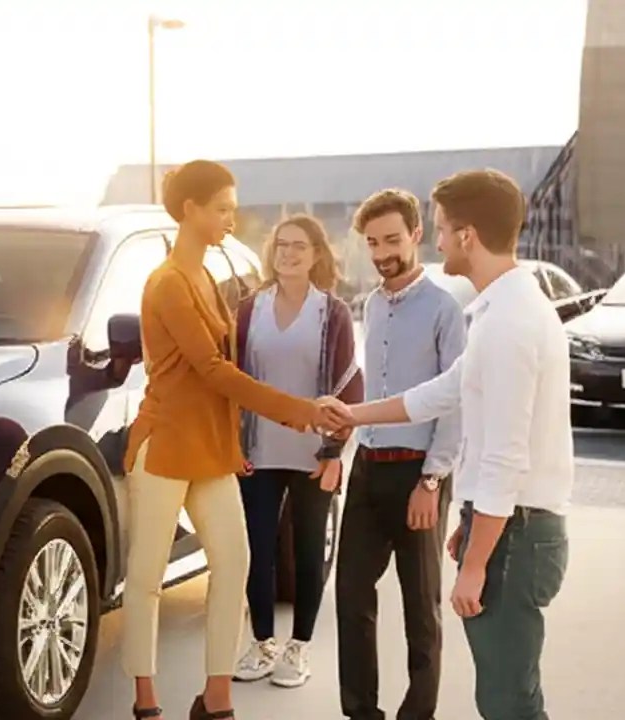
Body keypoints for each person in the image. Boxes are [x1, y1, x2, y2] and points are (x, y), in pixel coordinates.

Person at [326, 169, 573, 720]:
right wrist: (352, 413)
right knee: (507, 696)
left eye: (439, 230)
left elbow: (507, 457)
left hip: (519, 535)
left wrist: (477, 561)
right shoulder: (502, 311)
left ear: (467, 235)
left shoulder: (508, 321)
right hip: (512, 526)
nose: (436, 243)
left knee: (509, 703)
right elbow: (442, 391)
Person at [122, 159, 342, 720]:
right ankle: (145, 699)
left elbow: (225, 375)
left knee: (236, 561)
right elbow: (213, 372)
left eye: (232, 207)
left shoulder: (207, 278)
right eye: (221, 207)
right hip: (166, 446)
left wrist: (238, 438)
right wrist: (299, 412)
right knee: (147, 577)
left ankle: (215, 695)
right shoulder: (167, 282)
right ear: (190, 210)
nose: (230, 218)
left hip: (211, 451)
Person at [335, 189, 466, 720]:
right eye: (372, 242)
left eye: (392, 239)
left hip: (419, 475)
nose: (382, 251)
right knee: (351, 596)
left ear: (415, 235)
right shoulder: (371, 305)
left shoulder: (445, 308)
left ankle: (419, 713)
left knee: (420, 608)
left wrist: (432, 480)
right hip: (367, 470)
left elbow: (456, 400)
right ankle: (362, 712)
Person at [232, 214, 364, 688]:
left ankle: (298, 649)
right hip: (257, 454)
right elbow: (233, 383)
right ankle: (263, 643)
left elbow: (351, 388)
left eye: (299, 247)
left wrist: (334, 453)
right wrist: (233, 445)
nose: (288, 253)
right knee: (256, 552)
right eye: (281, 244)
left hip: (313, 457)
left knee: (308, 554)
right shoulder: (248, 309)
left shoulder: (333, 313)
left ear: (316, 256)